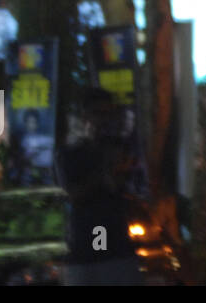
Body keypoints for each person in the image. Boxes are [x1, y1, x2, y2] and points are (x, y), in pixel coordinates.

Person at [56, 88, 142, 285]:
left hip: (117, 248)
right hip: (88, 251)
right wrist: (104, 175)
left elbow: (129, 187)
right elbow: (72, 194)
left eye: (108, 114)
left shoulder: (119, 146)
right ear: (85, 116)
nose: (104, 120)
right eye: (98, 113)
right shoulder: (71, 152)